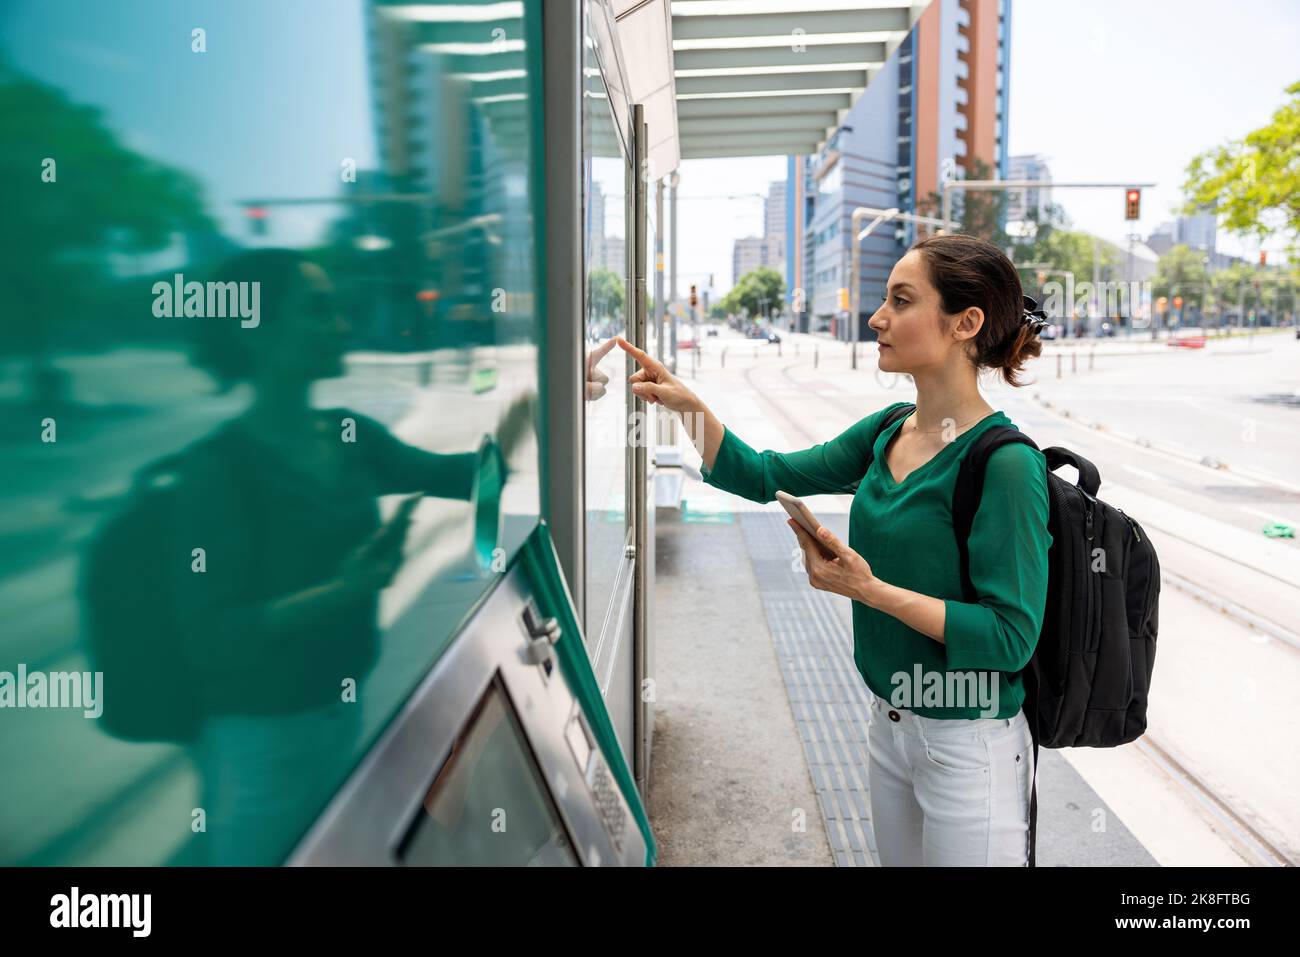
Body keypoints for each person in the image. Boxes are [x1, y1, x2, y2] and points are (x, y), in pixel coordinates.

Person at [617, 234, 1053, 866]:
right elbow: (765, 473)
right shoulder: (886, 432)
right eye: (883, 300)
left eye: (900, 302)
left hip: (970, 746)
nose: (876, 318)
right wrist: (688, 406)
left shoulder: (1007, 464)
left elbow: (1011, 636)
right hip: (890, 730)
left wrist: (868, 591)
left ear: (967, 322)